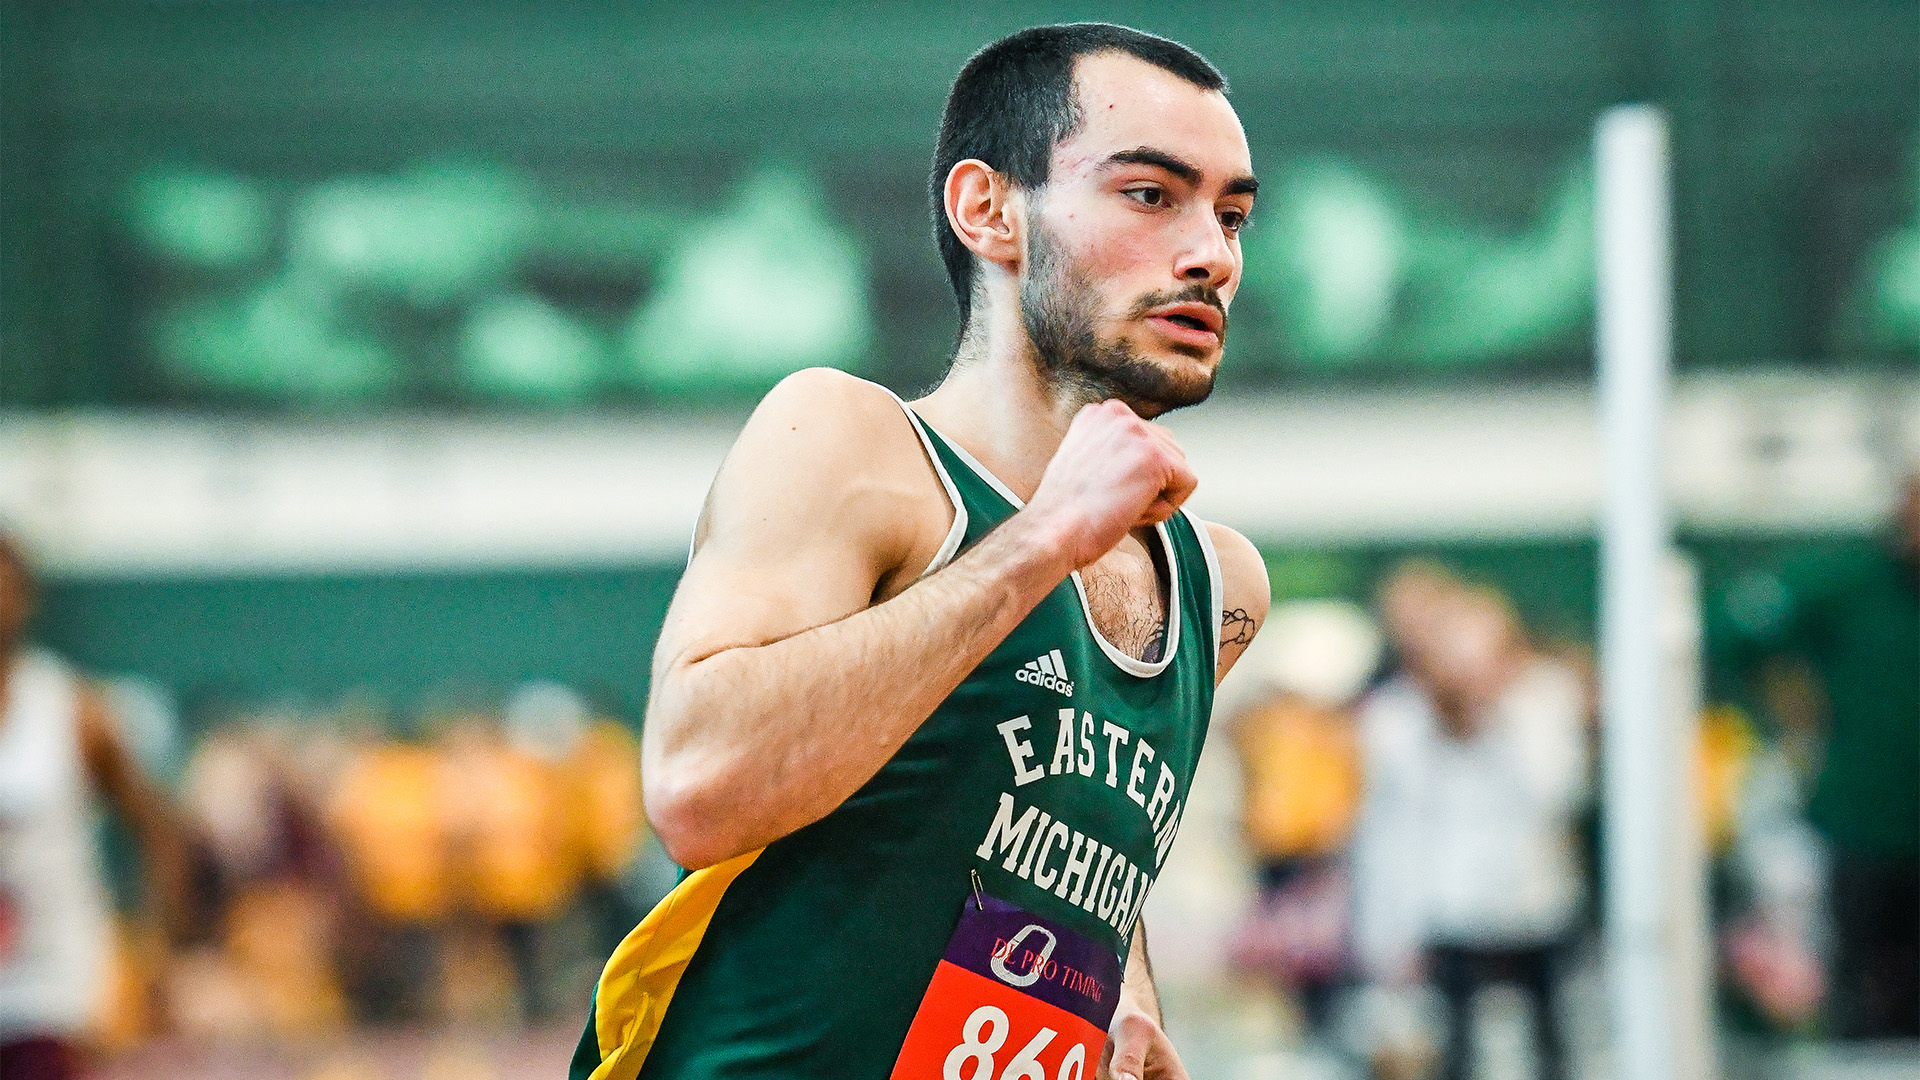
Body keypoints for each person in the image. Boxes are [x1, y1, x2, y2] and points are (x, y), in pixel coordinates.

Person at [570, 23, 1268, 1080]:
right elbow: (696, 786)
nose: (1211, 253)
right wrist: (1043, 538)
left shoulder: (1220, 586)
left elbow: (1049, 851)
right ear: (988, 210)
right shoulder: (848, 441)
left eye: (1231, 215)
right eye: (1149, 194)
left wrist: (1124, 1001)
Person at [1351, 568, 1588, 1080]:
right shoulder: (1402, 717)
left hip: (1533, 904)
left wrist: (1497, 719)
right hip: (1450, 911)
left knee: (1550, 1042)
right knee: (1455, 1049)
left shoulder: (1541, 701)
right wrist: (1389, 931)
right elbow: (1395, 830)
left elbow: (1555, 792)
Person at [1717, 473, 1919, 1038]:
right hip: (1866, 825)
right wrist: (1787, 695)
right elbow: (1736, 629)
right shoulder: (1849, 582)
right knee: (1863, 982)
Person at [0, 533, 189, 1080]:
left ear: (25, 599)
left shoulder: (70, 708)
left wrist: (155, 952)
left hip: (49, 993)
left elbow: (155, 827)